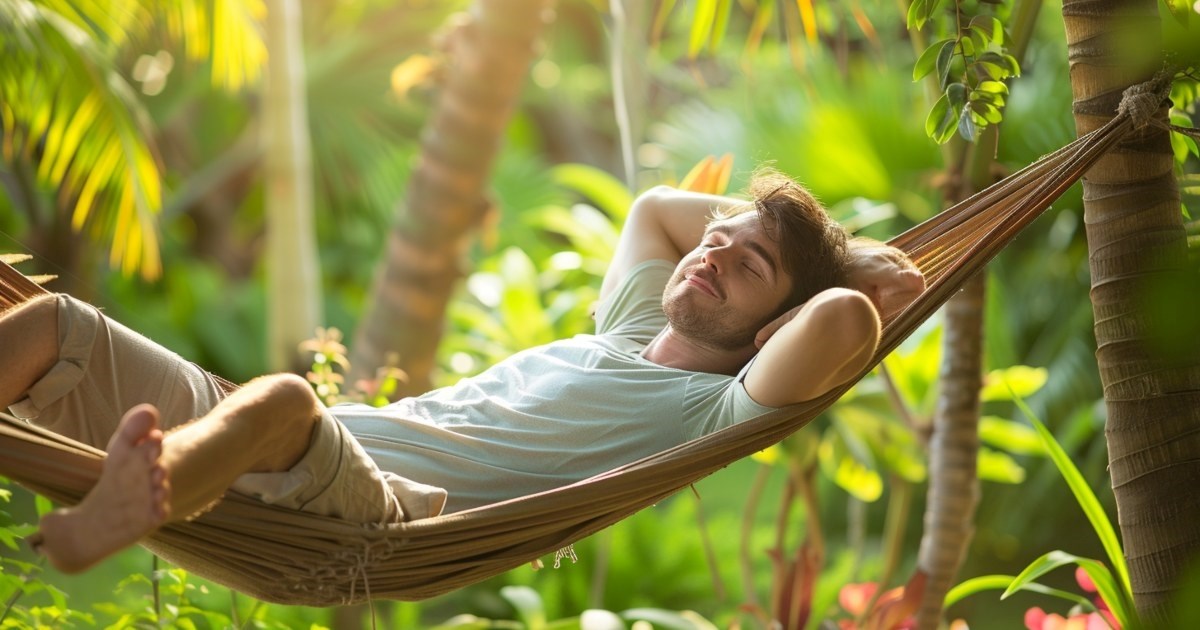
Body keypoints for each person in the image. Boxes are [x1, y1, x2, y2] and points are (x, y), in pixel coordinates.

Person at [0, 168, 924, 574]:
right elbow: (654, 209)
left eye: (745, 268)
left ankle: (127, 508)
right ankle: (149, 478)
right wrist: (758, 239)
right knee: (50, 323)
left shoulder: (715, 408)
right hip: (255, 433)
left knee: (284, 397)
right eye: (713, 244)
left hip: (376, 504)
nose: (708, 256)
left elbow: (843, 317)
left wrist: (845, 268)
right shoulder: (629, 325)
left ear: (773, 330)